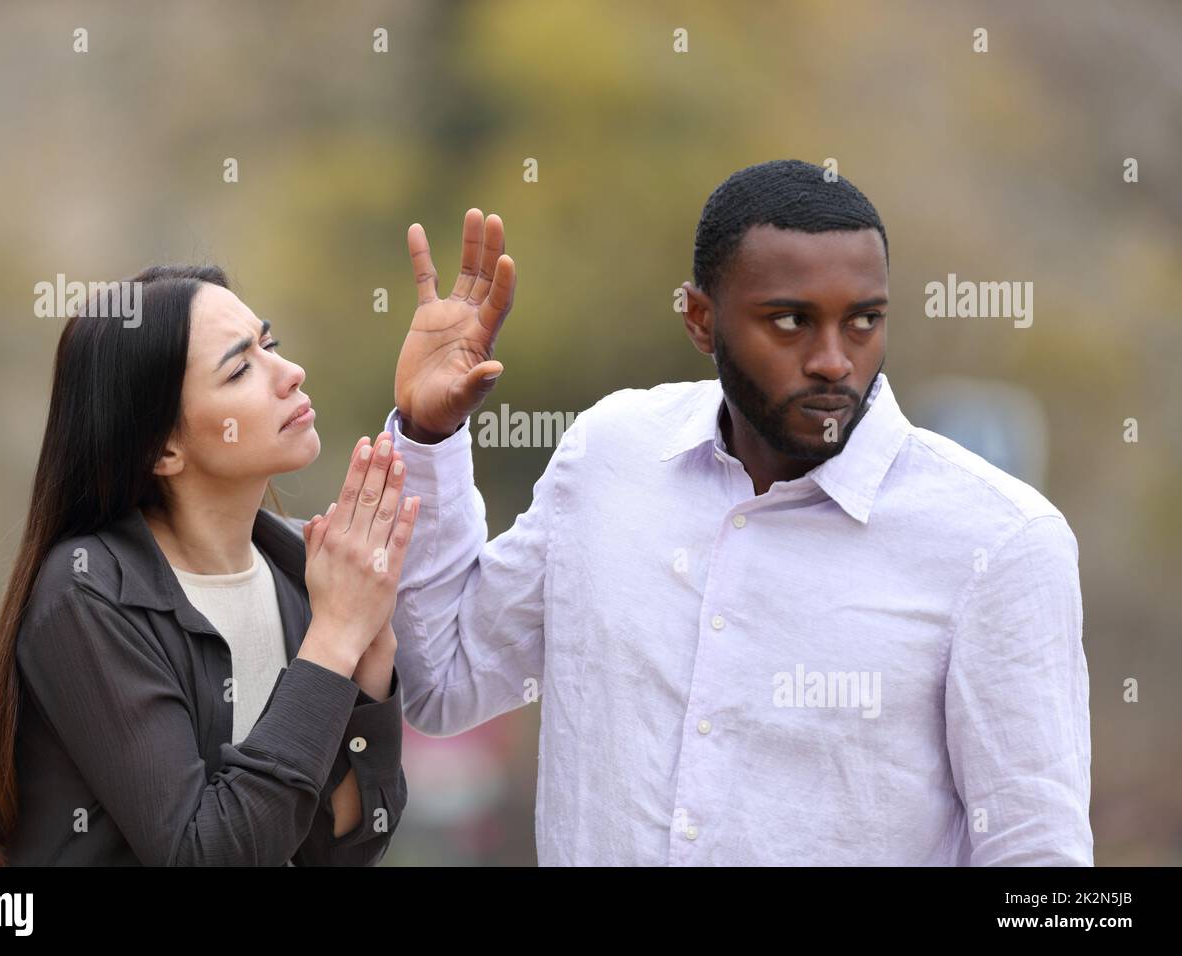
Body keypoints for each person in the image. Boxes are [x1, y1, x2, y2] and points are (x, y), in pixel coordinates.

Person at [383, 162, 1094, 865]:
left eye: (863, 321)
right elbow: (444, 682)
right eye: (790, 321)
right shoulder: (612, 456)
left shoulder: (999, 543)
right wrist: (427, 438)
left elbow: (1038, 859)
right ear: (700, 319)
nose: (832, 360)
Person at [0, 264, 431, 865]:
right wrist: (335, 639)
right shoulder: (88, 594)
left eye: (270, 346)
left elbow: (336, 849)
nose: (291, 374)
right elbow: (201, 853)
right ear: (163, 448)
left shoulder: (304, 570)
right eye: (240, 369)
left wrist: (370, 656)